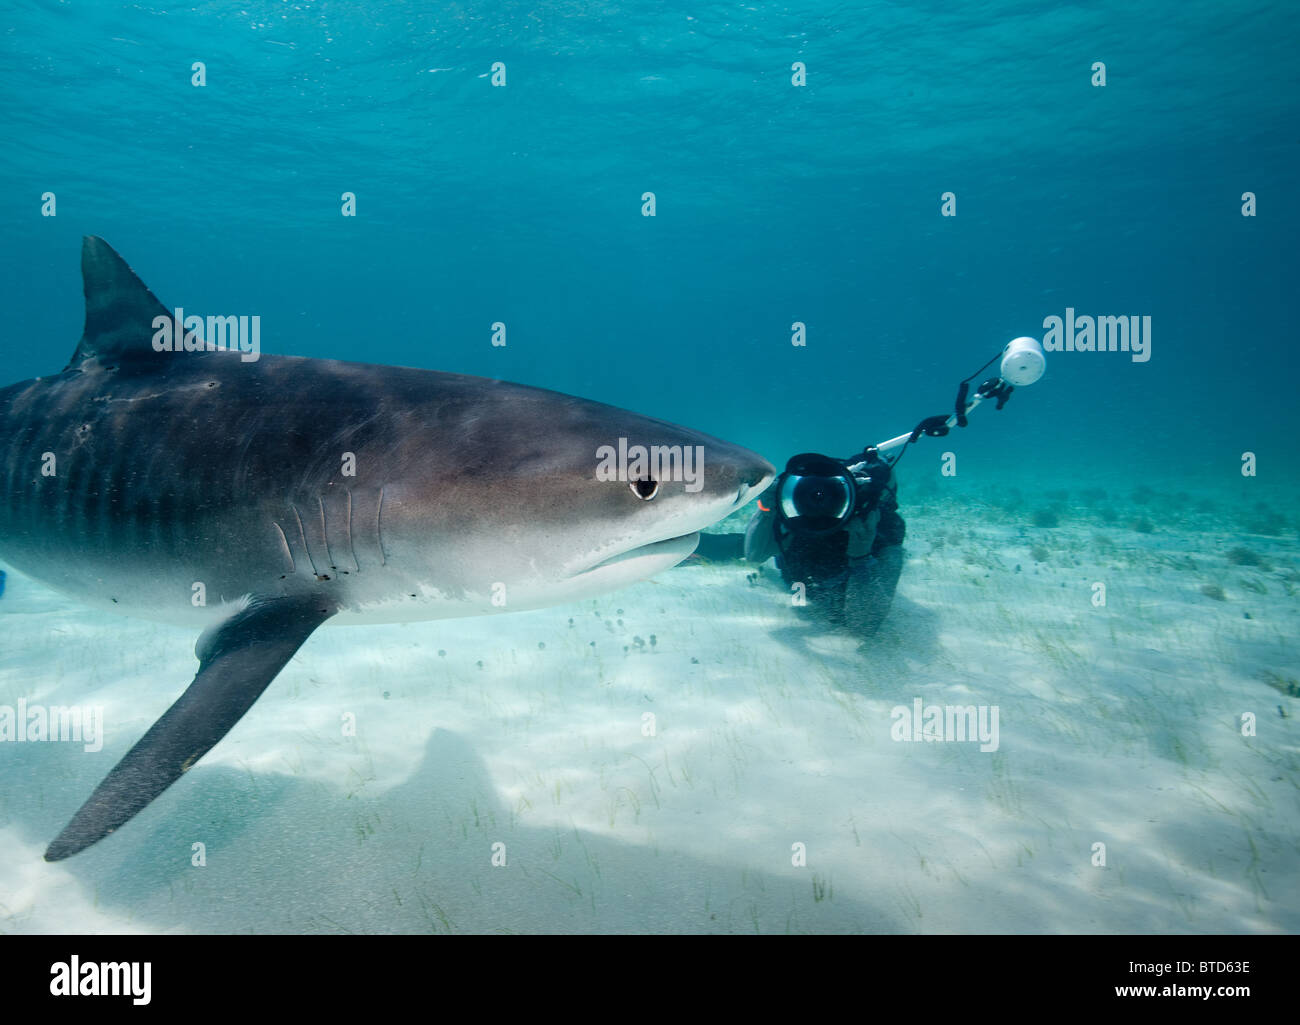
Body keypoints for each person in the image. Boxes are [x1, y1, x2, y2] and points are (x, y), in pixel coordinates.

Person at [691, 448, 905, 639]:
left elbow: (863, 628)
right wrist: (767, 510)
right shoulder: (795, 512)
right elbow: (755, 555)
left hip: (846, 576)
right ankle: (690, 547)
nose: (819, 501)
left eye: (833, 493)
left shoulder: (874, 526)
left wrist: (861, 556)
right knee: (751, 544)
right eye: (810, 491)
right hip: (798, 570)